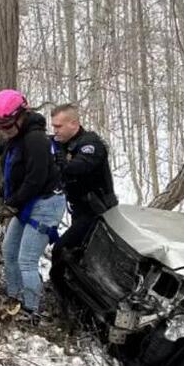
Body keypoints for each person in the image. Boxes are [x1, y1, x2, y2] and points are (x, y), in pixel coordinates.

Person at [0, 89, 65, 322]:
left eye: (8, 125)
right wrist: (5, 194)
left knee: (27, 259)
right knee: (9, 250)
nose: (5, 130)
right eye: (1, 125)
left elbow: (36, 178)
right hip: (26, 200)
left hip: (45, 203)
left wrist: (12, 204)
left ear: (21, 115)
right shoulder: (17, 139)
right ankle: (14, 297)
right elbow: (15, 171)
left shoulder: (36, 139)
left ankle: (31, 310)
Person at [48, 103, 118, 293]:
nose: (55, 131)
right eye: (53, 126)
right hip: (80, 210)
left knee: (62, 251)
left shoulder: (91, 144)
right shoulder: (63, 142)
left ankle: (61, 295)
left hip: (97, 213)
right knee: (78, 257)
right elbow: (38, 142)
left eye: (59, 126)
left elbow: (81, 166)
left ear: (74, 123)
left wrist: (63, 164)